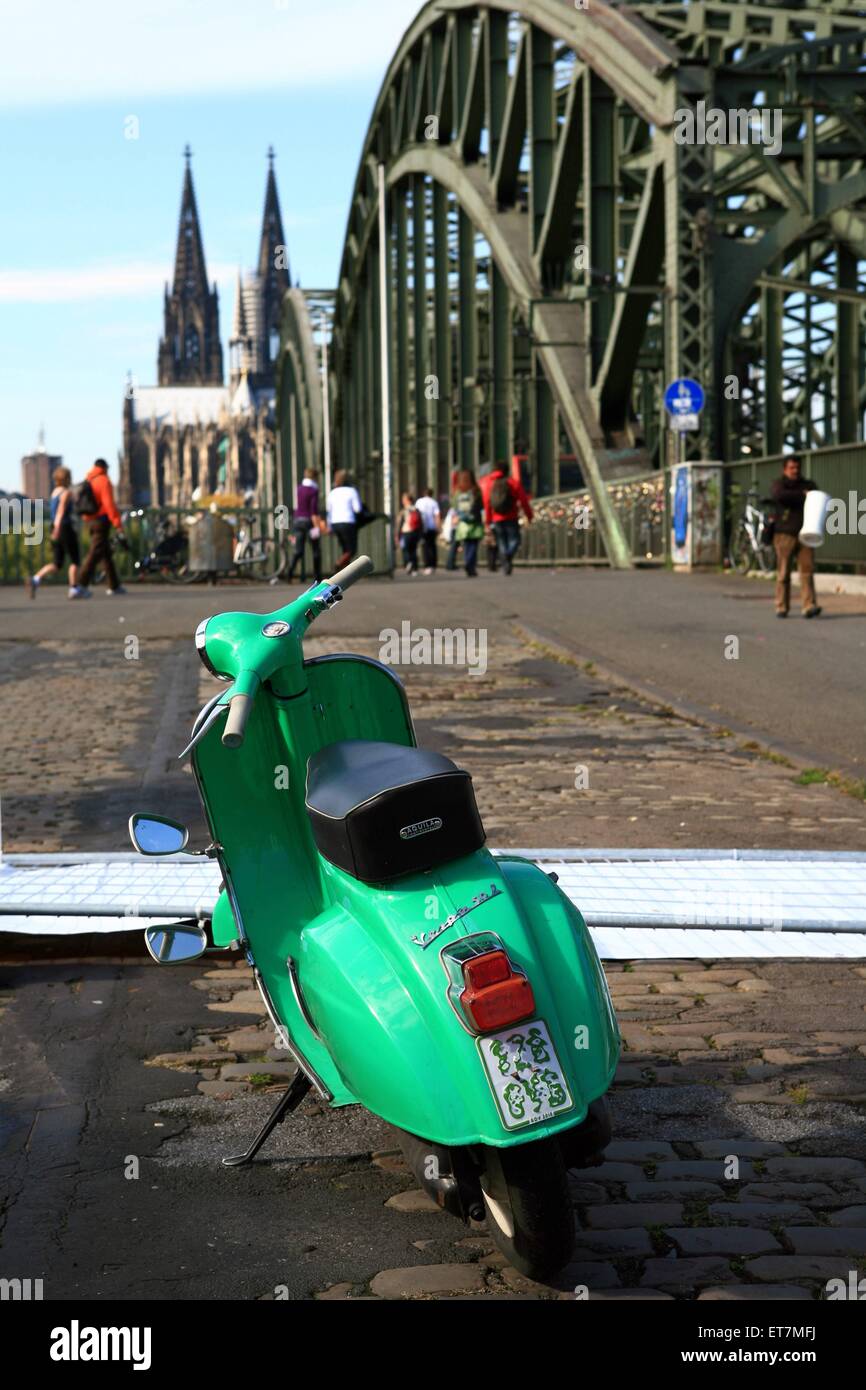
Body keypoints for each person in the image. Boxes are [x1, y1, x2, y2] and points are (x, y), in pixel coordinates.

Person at [770, 455, 821, 619]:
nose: (795, 471)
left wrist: (804, 495)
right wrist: (802, 495)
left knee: (807, 571)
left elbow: (817, 498)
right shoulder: (779, 485)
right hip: (784, 533)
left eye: (797, 467)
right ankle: (781, 606)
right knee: (783, 572)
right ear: (785, 469)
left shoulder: (809, 485)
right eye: (791, 468)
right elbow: (780, 496)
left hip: (806, 533)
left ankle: (809, 605)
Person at [28, 466, 87, 599]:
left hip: (55, 527)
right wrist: (58, 527)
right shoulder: (66, 493)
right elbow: (61, 511)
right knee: (75, 560)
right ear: (67, 478)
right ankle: (74, 588)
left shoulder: (54, 492)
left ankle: (36, 578)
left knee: (57, 563)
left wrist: (54, 528)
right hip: (64, 528)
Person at [77, 458, 127, 596]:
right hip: (101, 521)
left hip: (90, 521)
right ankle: (79, 584)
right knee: (94, 554)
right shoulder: (104, 481)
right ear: (105, 468)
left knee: (105, 554)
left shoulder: (90, 480)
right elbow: (109, 505)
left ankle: (114, 585)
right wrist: (118, 525)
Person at [482, 460, 533, 575]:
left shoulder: (489, 484)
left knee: (501, 541)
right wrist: (529, 515)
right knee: (515, 539)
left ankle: (505, 560)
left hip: (496, 518)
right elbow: (524, 500)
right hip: (511, 516)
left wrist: (488, 521)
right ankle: (508, 555)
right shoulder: (512, 483)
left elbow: (487, 504)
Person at [287, 468, 323, 584]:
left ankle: (290, 573)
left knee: (298, 550)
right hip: (310, 523)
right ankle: (317, 577)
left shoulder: (298, 489)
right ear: (315, 478)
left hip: (298, 521)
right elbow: (313, 510)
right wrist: (317, 526)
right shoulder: (313, 490)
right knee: (316, 549)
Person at [327, 469, 363, 570]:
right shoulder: (352, 491)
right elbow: (358, 509)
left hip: (335, 523)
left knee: (345, 548)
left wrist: (329, 526)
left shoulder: (332, 493)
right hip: (348, 522)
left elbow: (329, 511)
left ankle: (345, 572)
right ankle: (339, 563)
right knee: (352, 549)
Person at [451, 470, 484, 577]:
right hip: (475, 521)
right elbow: (481, 505)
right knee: (473, 545)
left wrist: (457, 517)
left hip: (463, 523)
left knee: (466, 544)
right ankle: (470, 565)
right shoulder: (476, 490)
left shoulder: (457, 492)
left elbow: (454, 507)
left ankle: (468, 563)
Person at [415, 486, 441, 574]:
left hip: (422, 527)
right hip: (431, 527)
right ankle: (433, 565)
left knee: (425, 546)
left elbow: (416, 514)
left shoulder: (419, 501)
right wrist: (438, 527)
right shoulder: (434, 502)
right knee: (432, 546)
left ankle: (427, 565)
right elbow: (437, 516)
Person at [396, 492, 422, 575]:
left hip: (406, 532)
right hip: (415, 532)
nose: (402, 501)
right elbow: (421, 523)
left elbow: (399, 524)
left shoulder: (404, 511)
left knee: (406, 549)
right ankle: (414, 568)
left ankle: (408, 563)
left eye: (403, 499)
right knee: (413, 550)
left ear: (407, 500)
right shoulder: (416, 509)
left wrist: (397, 535)